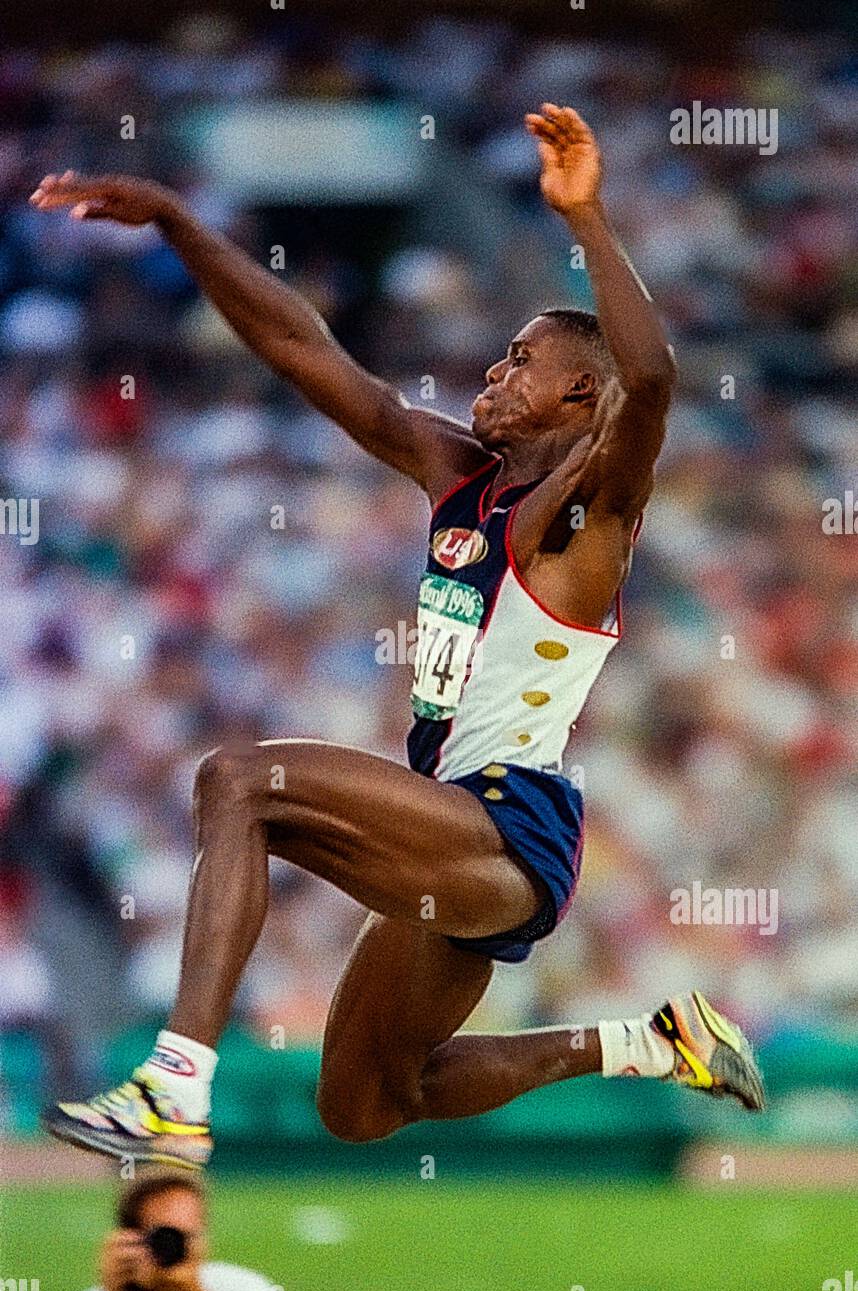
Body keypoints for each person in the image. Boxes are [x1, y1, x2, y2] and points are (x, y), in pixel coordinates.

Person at [33, 104, 764, 1168]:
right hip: (452, 835)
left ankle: (171, 1090)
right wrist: (182, 225)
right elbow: (300, 346)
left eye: (519, 361)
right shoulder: (457, 473)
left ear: (576, 392)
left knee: (238, 780)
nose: (492, 373)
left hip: (506, 826)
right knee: (368, 1100)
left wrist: (589, 217)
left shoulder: (588, 513)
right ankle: (648, 1042)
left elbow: (648, 381)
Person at [78, 1167, 284, 1291]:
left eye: (189, 1236)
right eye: (164, 1237)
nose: (178, 1248)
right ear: (131, 1240)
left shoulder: (245, 1290)